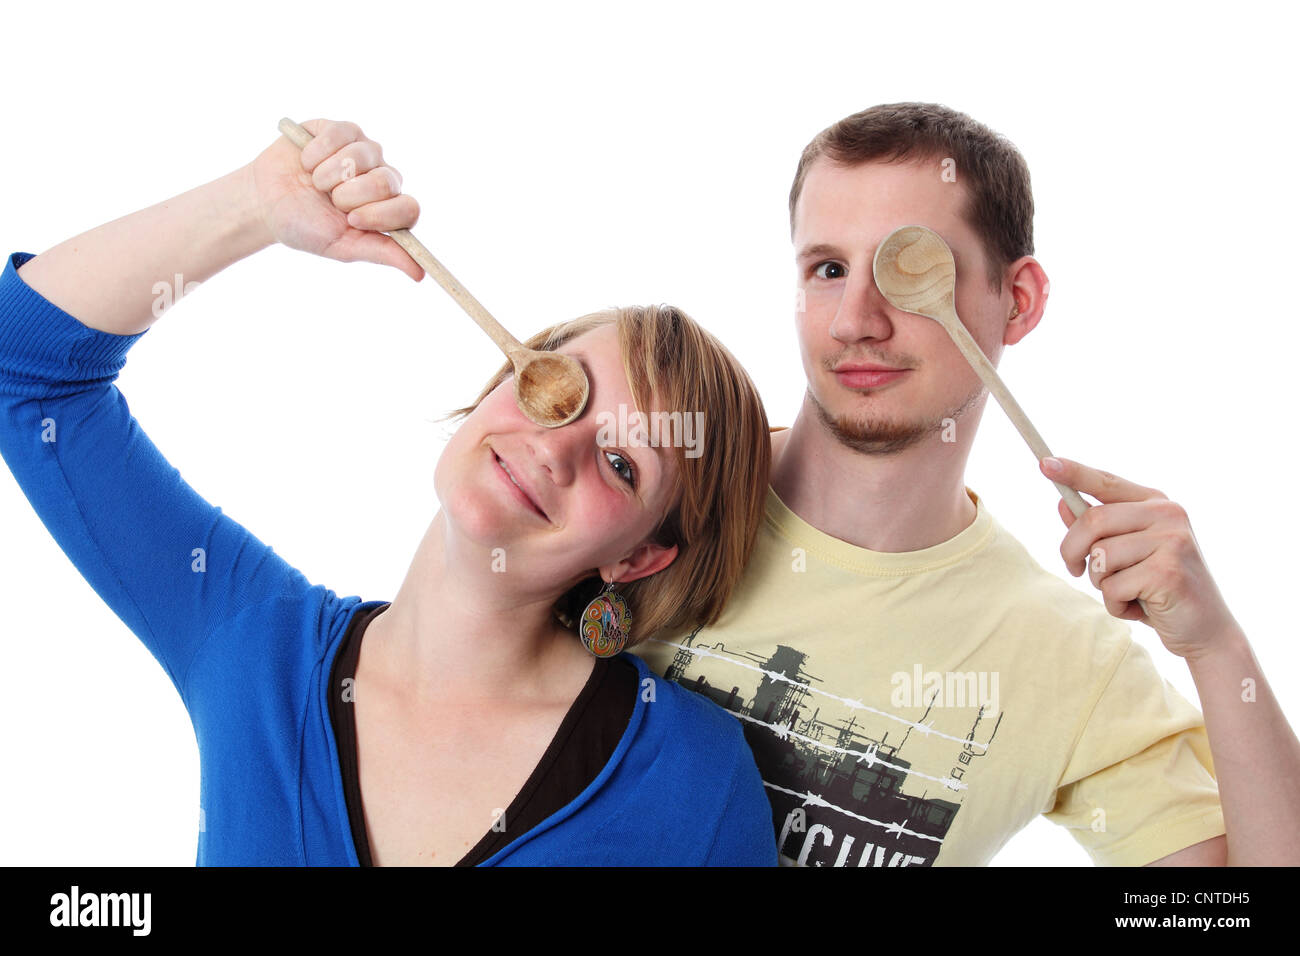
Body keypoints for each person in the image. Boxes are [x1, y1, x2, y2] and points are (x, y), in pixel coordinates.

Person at [0, 118, 777, 866]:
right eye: (561, 388)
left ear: (638, 556)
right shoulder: (253, 645)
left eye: (622, 464)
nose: (556, 446)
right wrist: (256, 204)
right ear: (498, 388)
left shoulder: (690, 781)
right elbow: (25, 366)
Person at [632, 102, 1300, 866]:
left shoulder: (1066, 665)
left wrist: (1218, 648)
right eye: (828, 269)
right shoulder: (640, 493)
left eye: (910, 271)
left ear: (1018, 300)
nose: (855, 321)